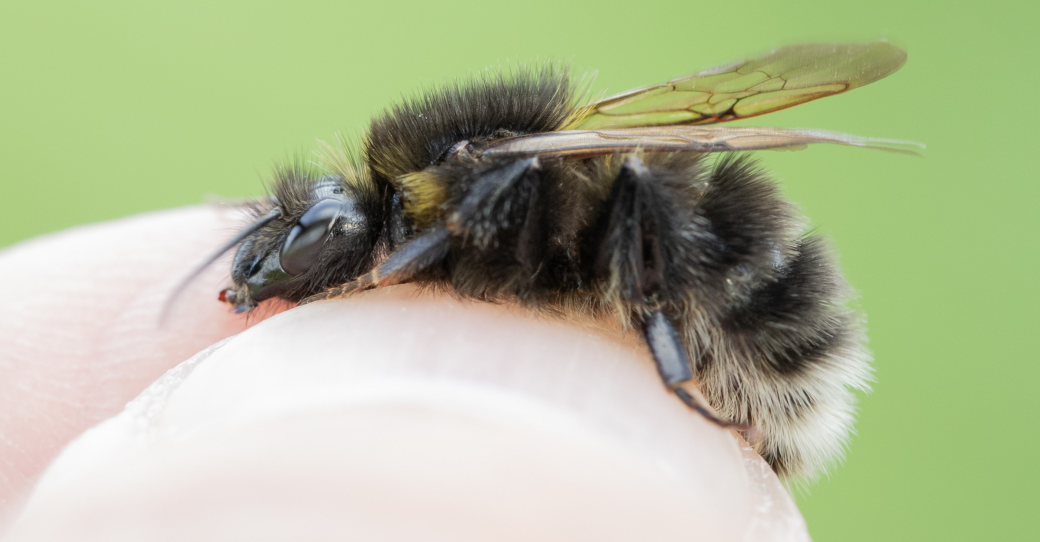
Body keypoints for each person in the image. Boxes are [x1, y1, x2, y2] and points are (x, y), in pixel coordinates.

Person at [0, 206, 809, 541]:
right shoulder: (461, 205)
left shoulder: (478, 191)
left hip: (740, 301)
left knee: (633, 201)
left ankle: (681, 388)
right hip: (728, 291)